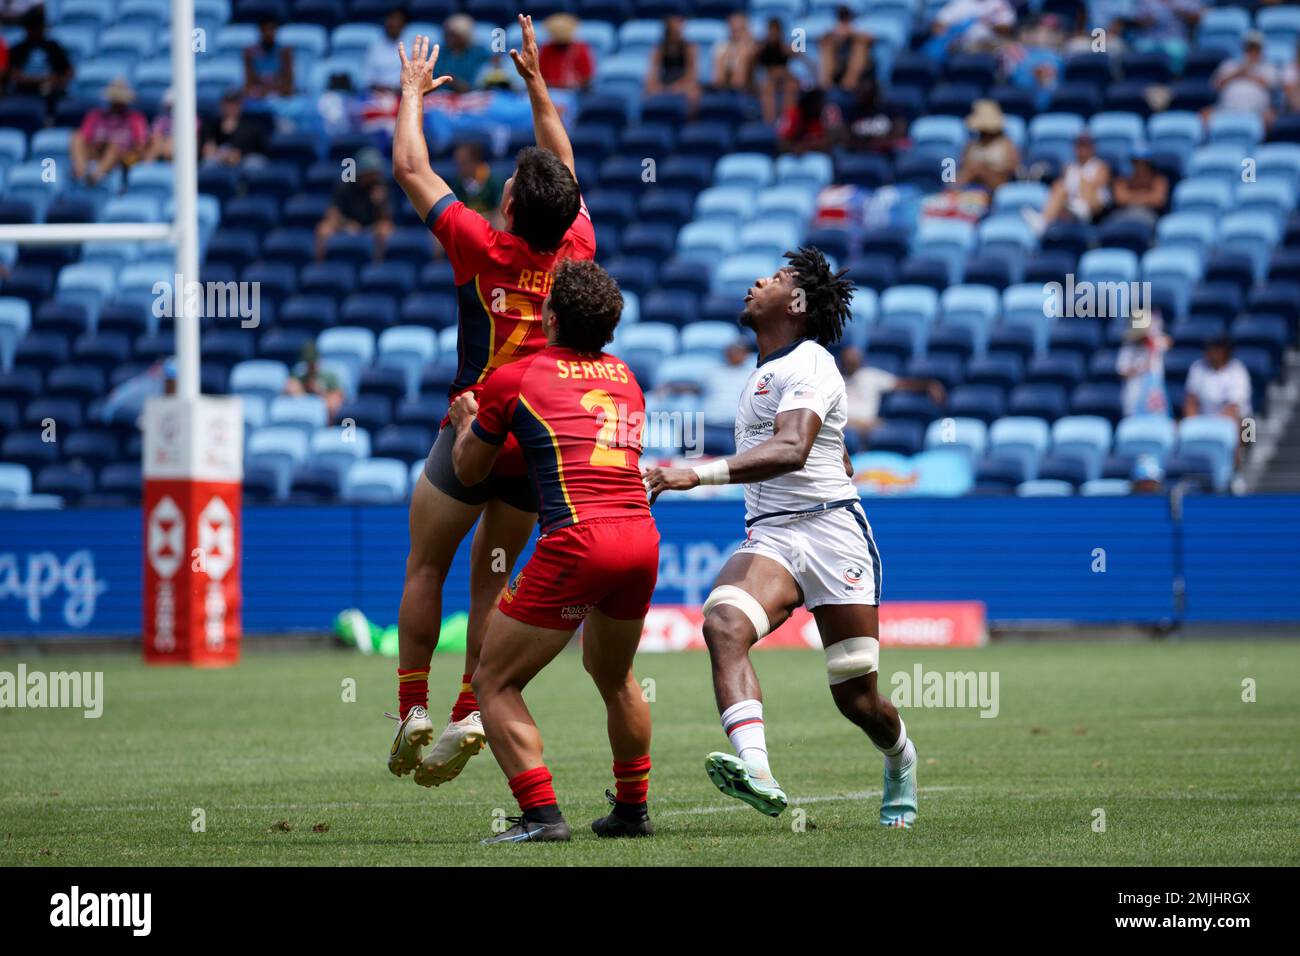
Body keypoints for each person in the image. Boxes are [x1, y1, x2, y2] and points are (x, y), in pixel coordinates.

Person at [386, 18, 595, 789]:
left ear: (509, 205)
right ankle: (473, 707)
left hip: (471, 424)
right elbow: (563, 167)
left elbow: (412, 167)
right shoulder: (577, 249)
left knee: (424, 566)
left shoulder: (479, 245)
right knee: (489, 581)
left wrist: (411, 93)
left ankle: (412, 706)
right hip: (529, 442)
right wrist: (537, 82)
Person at [643, 247, 919, 829]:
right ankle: (758, 772)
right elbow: (815, 442)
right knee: (722, 624)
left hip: (832, 533)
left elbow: (792, 449)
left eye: (775, 278)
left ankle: (901, 760)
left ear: (796, 303)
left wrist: (694, 472)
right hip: (772, 536)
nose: (757, 281)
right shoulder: (763, 373)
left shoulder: (813, 361)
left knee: (857, 699)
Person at [449, 258, 659, 844]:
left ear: (550, 316)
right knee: (615, 676)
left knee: (493, 679)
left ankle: (542, 816)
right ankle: (632, 810)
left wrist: (470, 420)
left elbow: (469, 471)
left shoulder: (515, 377)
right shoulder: (626, 377)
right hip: (640, 537)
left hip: (577, 539)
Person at [839, 345, 946, 446]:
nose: (851, 360)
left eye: (854, 358)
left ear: (861, 360)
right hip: (841, 425)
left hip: (866, 426)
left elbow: (900, 384)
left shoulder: (870, 376)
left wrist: (928, 385)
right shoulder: (833, 379)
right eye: (848, 358)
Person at [314, 147, 393, 261]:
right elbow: (332, 212)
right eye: (371, 172)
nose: (375, 175)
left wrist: (380, 204)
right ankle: (320, 265)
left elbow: (387, 220)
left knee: (385, 229)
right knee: (322, 229)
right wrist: (347, 225)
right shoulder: (346, 184)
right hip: (347, 225)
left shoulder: (381, 186)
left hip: (371, 227)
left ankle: (378, 265)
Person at [70, 79, 148, 185]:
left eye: (120, 101)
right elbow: (85, 137)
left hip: (123, 157)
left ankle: (95, 176)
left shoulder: (135, 118)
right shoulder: (95, 115)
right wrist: (98, 144)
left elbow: (140, 145)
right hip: (96, 151)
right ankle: (81, 172)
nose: (117, 104)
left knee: (114, 148)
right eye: (114, 100)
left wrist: (125, 150)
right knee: (76, 137)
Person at [1038, 132, 1110, 227]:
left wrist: (1080, 181)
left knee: (1086, 184)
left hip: (1093, 205)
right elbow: (1063, 188)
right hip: (1071, 202)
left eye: (1086, 146)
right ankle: (1043, 221)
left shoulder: (1100, 166)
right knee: (1059, 186)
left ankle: (1080, 210)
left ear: (1092, 148)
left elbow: (1098, 186)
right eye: (1079, 146)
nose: (1082, 150)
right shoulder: (1069, 167)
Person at [1210, 31, 1279, 126]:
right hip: (1226, 109)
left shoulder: (1269, 67)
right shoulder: (1229, 65)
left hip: (1258, 112)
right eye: (1249, 49)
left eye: (1256, 49)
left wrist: (1249, 73)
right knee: (1205, 114)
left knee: (1270, 116)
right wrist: (1238, 72)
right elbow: (1216, 86)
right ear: (1243, 49)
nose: (1252, 52)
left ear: (1261, 50)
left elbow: (1272, 87)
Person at [6, 5, 71, 104]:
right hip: (24, 95)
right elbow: (15, 76)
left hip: (51, 94)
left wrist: (57, 82)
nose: (35, 30)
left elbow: (68, 72)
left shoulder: (53, 47)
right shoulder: (17, 49)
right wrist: (44, 79)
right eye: (32, 27)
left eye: (38, 26)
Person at [1116, 309, 1170, 417]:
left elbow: (1168, 342)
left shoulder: (1156, 343)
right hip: (1133, 396)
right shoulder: (1128, 348)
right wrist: (1139, 368)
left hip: (1154, 397)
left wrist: (1152, 339)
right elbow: (1122, 371)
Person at [1184, 338, 1252, 424]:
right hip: (1204, 418)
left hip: (1237, 420)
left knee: (1245, 424)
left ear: (1225, 352)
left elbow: (1233, 407)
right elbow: (1191, 401)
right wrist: (1191, 424)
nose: (1212, 353)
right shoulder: (1198, 367)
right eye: (1210, 349)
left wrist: (1214, 426)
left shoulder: (1237, 370)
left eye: (1216, 350)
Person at [956, 99, 1019, 192]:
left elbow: (1012, 173)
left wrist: (984, 170)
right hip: (971, 191)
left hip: (998, 190)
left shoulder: (1007, 146)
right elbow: (963, 170)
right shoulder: (971, 145)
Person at [645, 14, 699, 111]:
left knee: (693, 93)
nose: (677, 31)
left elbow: (692, 73)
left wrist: (678, 86)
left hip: (683, 81)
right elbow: (652, 73)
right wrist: (658, 86)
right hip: (665, 81)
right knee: (647, 92)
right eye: (674, 30)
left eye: (679, 29)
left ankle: (691, 123)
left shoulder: (689, 48)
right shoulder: (659, 49)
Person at [200, 90, 268, 165]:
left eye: (234, 105)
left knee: (253, 163)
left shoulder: (252, 124)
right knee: (209, 163)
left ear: (241, 106)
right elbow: (208, 148)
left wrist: (240, 154)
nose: (231, 108)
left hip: (245, 159)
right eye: (227, 104)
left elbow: (260, 148)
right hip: (220, 159)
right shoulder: (212, 124)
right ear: (221, 106)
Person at [1107, 148, 1168, 229]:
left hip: (1148, 214)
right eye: (1136, 163)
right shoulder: (1124, 179)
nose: (1140, 167)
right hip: (1124, 213)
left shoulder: (1158, 179)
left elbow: (1157, 200)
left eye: (1143, 163)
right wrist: (1146, 195)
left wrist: (1131, 196)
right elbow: (1120, 199)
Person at [282, 342, 345, 421]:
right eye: (308, 363)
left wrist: (320, 393)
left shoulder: (330, 377)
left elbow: (337, 401)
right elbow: (286, 393)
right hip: (303, 415)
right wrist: (301, 394)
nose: (310, 366)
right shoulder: (299, 376)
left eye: (313, 362)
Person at [818, 6, 873, 94]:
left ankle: (849, 83)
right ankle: (825, 84)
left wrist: (851, 33)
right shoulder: (833, 25)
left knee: (860, 45)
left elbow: (870, 38)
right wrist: (836, 38)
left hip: (863, 65)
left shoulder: (862, 23)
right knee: (827, 45)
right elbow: (822, 39)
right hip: (838, 63)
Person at [755, 17, 799, 125]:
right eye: (771, 31)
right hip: (767, 78)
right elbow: (755, 67)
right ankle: (770, 122)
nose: (773, 34)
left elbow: (807, 62)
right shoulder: (762, 48)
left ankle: (787, 123)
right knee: (767, 87)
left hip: (784, 78)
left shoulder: (785, 48)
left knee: (791, 86)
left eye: (776, 31)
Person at [538, 13, 594, 91]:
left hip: (575, 92)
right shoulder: (546, 49)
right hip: (550, 91)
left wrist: (576, 84)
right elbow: (540, 74)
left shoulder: (580, 48)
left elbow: (587, 76)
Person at [778, 87, 842, 154]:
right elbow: (782, 143)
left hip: (814, 156)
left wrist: (811, 146)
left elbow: (828, 143)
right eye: (815, 100)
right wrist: (794, 148)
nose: (819, 104)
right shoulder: (793, 114)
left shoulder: (821, 116)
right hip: (792, 156)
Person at [451, 141, 503, 221]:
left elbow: (499, 213)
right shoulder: (457, 183)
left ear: (475, 161)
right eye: (458, 164)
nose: (460, 168)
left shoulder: (493, 181)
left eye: (464, 163)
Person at [243, 17, 294, 97]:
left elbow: (289, 82)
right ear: (260, 31)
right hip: (258, 95)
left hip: (280, 95)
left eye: (271, 29)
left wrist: (274, 91)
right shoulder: (250, 53)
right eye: (265, 30)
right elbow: (249, 82)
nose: (268, 33)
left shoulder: (285, 52)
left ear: (276, 31)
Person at [362, 7, 408, 92]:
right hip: (378, 95)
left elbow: (414, 80)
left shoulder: (411, 47)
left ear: (403, 25)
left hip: (403, 94)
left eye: (397, 20)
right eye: (391, 19)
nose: (394, 23)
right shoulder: (375, 47)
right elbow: (368, 80)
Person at [440, 14, 488, 92]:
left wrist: (455, 82)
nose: (451, 38)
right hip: (441, 97)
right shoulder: (440, 52)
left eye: (455, 35)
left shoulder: (480, 53)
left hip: (472, 97)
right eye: (448, 34)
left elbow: (480, 83)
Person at [711, 11, 756, 92]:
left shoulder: (753, 47)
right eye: (734, 30)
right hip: (724, 84)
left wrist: (743, 46)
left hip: (748, 86)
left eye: (740, 30)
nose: (736, 33)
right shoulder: (722, 46)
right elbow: (717, 78)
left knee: (744, 54)